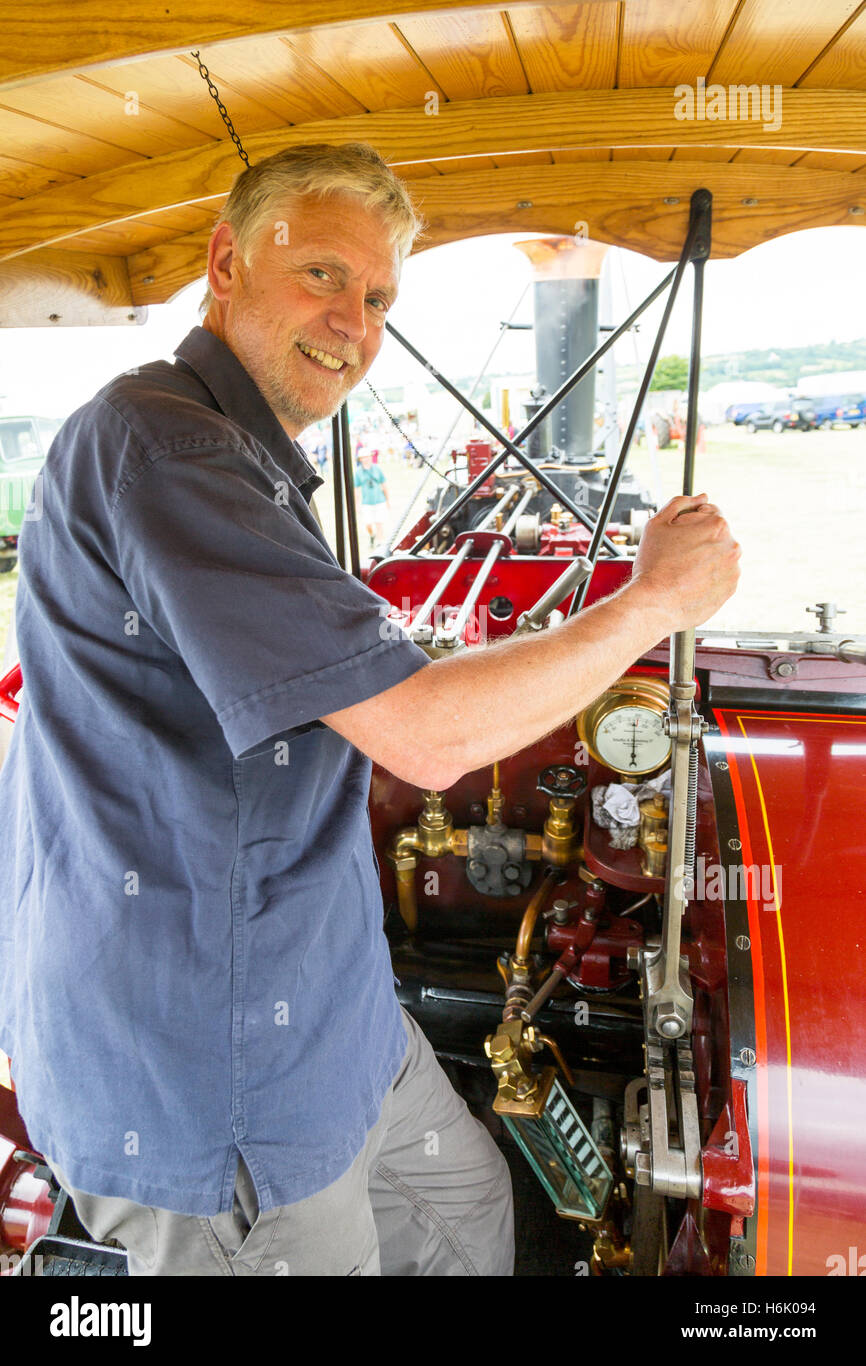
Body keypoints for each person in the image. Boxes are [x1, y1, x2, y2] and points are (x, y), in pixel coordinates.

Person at [0, 141, 740, 1278]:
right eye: (324, 277)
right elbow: (425, 736)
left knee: (469, 1201)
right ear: (225, 262)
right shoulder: (164, 441)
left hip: (329, 1005)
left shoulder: (241, 459)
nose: (355, 320)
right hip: (210, 1079)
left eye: (380, 295)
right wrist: (652, 601)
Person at [354, 446, 389, 549]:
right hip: (366, 502)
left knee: (379, 522)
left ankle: (380, 542)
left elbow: (384, 485)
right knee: (368, 524)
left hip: (379, 500)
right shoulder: (358, 472)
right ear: (360, 459)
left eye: (368, 456)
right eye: (364, 457)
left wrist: (387, 500)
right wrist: (357, 504)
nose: (366, 459)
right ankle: (372, 535)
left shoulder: (377, 469)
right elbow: (356, 489)